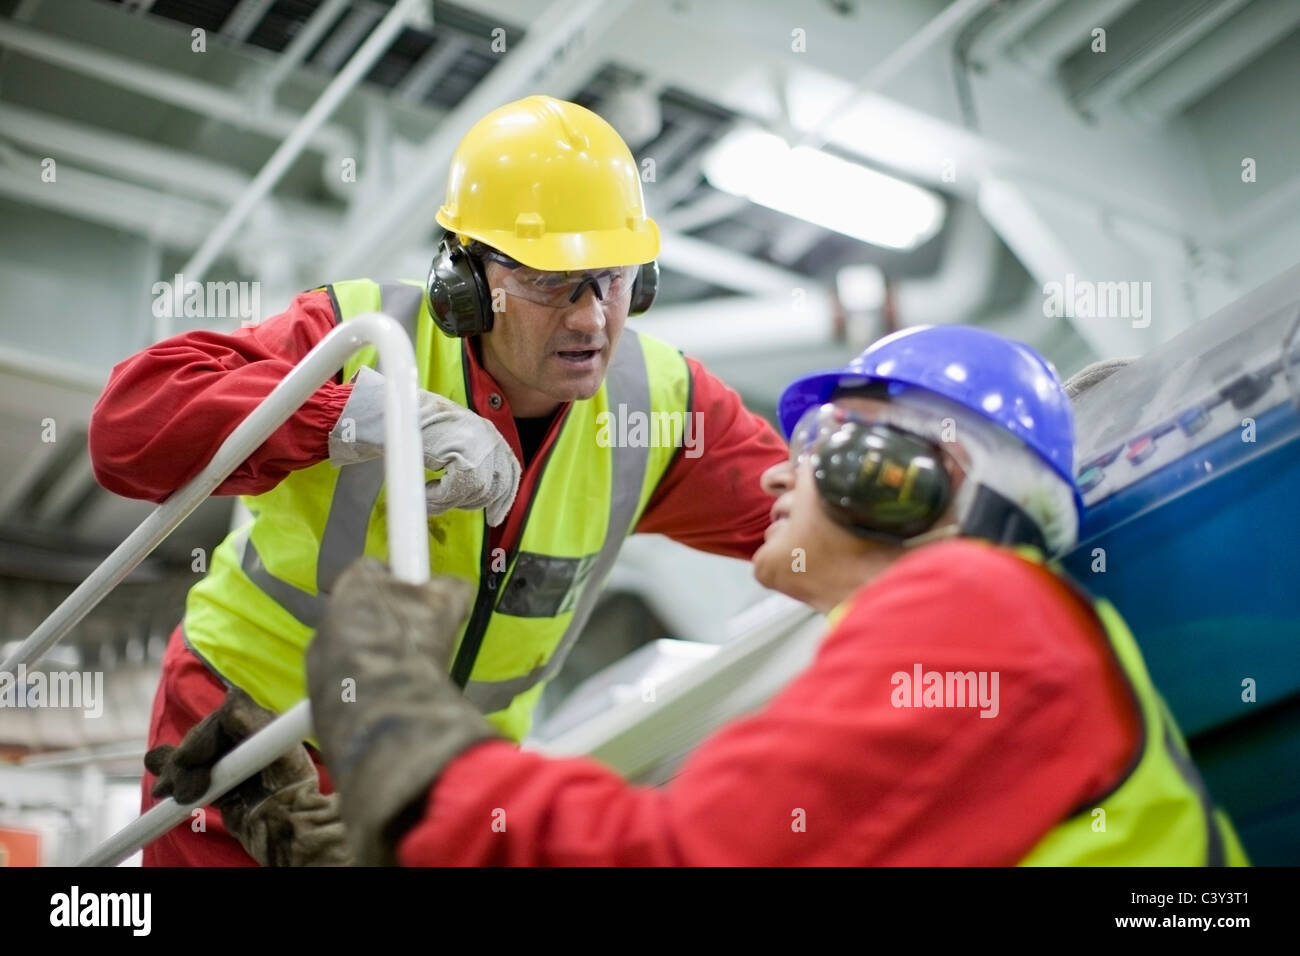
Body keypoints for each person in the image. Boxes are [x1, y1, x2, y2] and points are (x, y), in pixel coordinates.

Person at [88, 96, 787, 866]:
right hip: (251, 733)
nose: (592, 321)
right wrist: (355, 415)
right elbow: (129, 427)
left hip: (441, 783)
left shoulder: (657, 407)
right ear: (465, 278)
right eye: (555, 284)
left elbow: (815, 526)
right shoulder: (361, 336)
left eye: (614, 281)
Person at [304, 324, 1248, 866]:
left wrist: (397, 727)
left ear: (919, 472)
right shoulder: (963, 631)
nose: (768, 481)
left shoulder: (980, 606)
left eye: (824, 443)